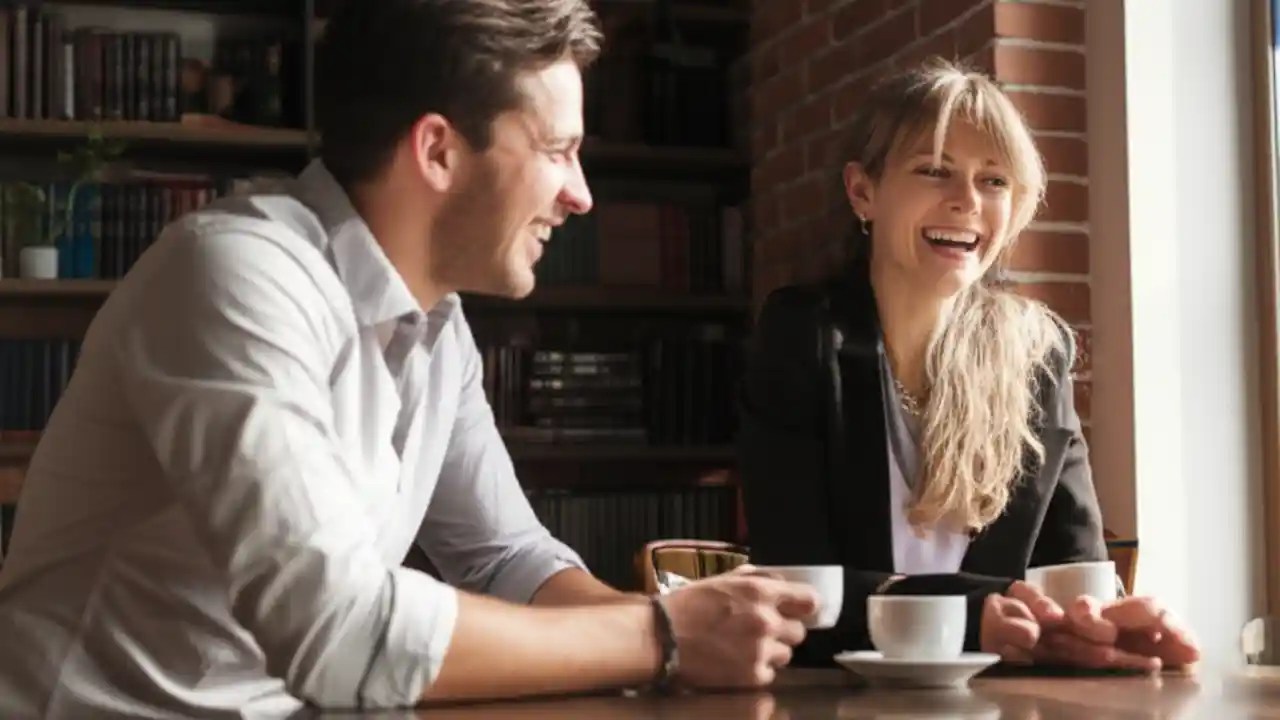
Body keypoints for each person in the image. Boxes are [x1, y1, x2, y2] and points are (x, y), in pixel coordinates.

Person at [0, 1, 819, 716]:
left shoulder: (438, 327)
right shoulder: (235, 273)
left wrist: (696, 641)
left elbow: (506, 557)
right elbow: (336, 629)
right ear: (436, 151)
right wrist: (663, 636)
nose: (582, 194)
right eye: (558, 149)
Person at [737, 58, 1200, 671]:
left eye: (995, 181)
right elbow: (797, 592)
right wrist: (976, 613)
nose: (966, 202)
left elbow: (1074, 570)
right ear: (862, 191)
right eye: (934, 171)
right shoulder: (802, 336)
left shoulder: (1037, 352)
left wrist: (1107, 626)